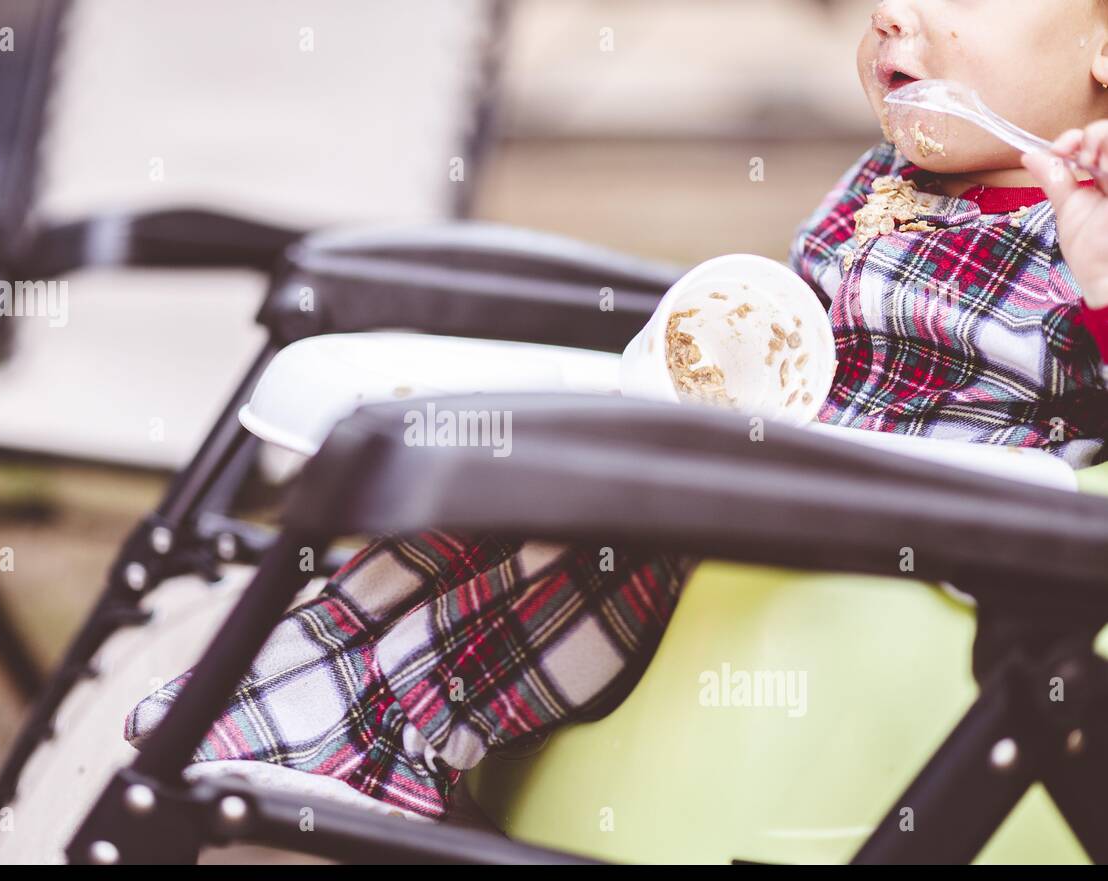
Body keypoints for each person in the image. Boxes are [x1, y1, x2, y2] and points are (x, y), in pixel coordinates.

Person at [126, 0, 1108, 819]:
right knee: (509, 491)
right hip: (778, 462)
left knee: (595, 537)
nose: (896, 14)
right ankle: (296, 687)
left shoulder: (1085, 231)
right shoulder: (893, 184)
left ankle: (399, 742)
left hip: (904, 539)